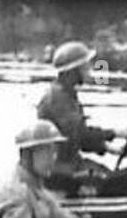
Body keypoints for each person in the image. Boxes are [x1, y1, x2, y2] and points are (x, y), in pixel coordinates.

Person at [36, 41, 118, 185]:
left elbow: (77, 139)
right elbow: (79, 134)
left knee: (115, 177)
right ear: (73, 71)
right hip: (59, 169)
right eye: (85, 66)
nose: (89, 69)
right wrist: (115, 133)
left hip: (69, 163)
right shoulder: (58, 98)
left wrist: (107, 148)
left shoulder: (66, 95)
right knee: (115, 182)